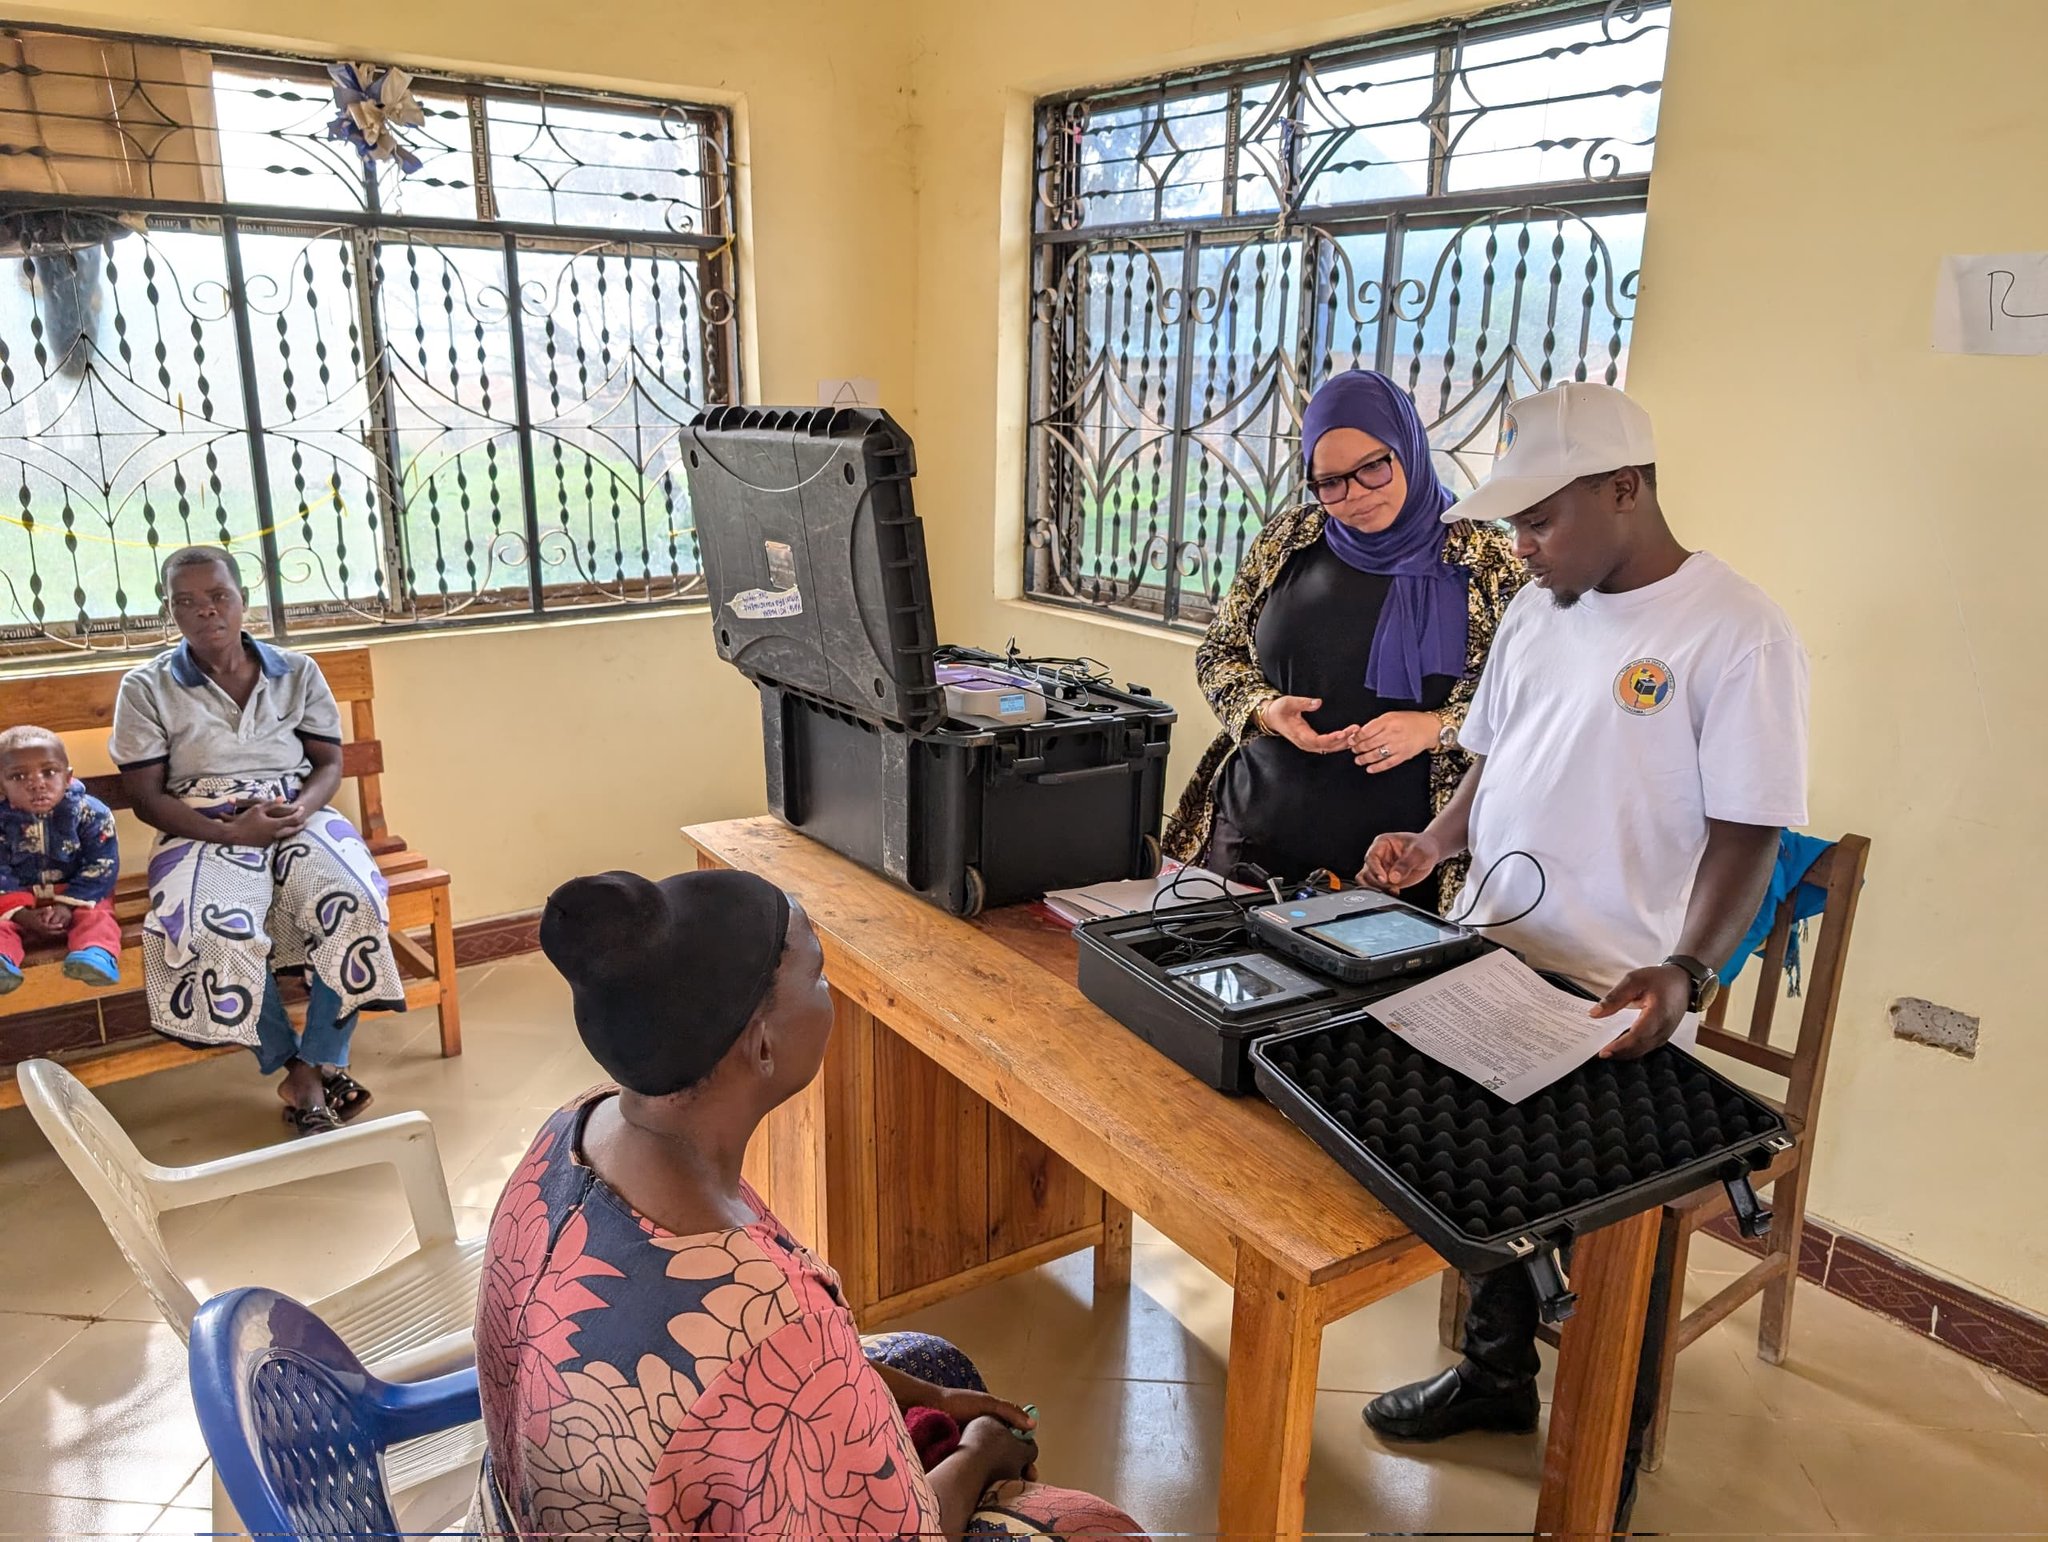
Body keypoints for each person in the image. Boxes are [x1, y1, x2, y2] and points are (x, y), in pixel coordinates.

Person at [1355, 382, 1809, 1526]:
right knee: (1488, 1178)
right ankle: (1497, 1378)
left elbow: (1750, 833)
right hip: (1494, 948)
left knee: (1614, 1223)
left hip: (1623, 986)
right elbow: (1490, 759)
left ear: (1625, 490)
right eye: (1513, 525)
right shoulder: (1536, 609)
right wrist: (1432, 841)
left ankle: (1616, 1434)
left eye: (1540, 522)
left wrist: (1688, 973)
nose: (1522, 548)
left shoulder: (1734, 631)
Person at [471, 866, 1145, 1541]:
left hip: (527, 1508)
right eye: (819, 974)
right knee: (1092, 1528)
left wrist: (935, 1401)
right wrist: (982, 1453)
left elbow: (765, 1360)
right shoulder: (768, 1319)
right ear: (761, 1045)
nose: (832, 992)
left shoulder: (574, 1127)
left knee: (936, 1364)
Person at [1164, 369, 1525, 904]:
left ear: (1410, 448)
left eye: (1373, 468)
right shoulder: (1291, 539)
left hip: (1400, 864)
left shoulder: (1489, 562)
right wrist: (1265, 709)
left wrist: (1436, 727)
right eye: (1331, 482)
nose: (1354, 496)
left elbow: (1527, 705)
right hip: (1254, 838)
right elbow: (1220, 653)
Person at [109, 547, 402, 1135]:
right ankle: (295, 1070)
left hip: (295, 811)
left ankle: (320, 1057)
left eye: (218, 596)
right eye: (186, 602)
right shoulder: (146, 687)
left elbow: (327, 764)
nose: (205, 612)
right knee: (215, 928)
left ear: (243, 599)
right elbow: (145, 797)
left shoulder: (296, 671)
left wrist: (300, 811)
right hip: (199, 824)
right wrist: (228, 831)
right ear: (170, 610)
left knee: (355, 901)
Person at [0, 725, 122, 992]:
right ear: (1, 785)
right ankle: (3, 961)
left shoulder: (91, 814)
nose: (37, 783)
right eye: (19, 776)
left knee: (98, 914)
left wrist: (67, 906)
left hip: (77, 891)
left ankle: (95, 954)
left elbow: (102, 864)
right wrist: (21, 914)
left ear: (68, 778)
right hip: (15, 896)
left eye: (49, 772)